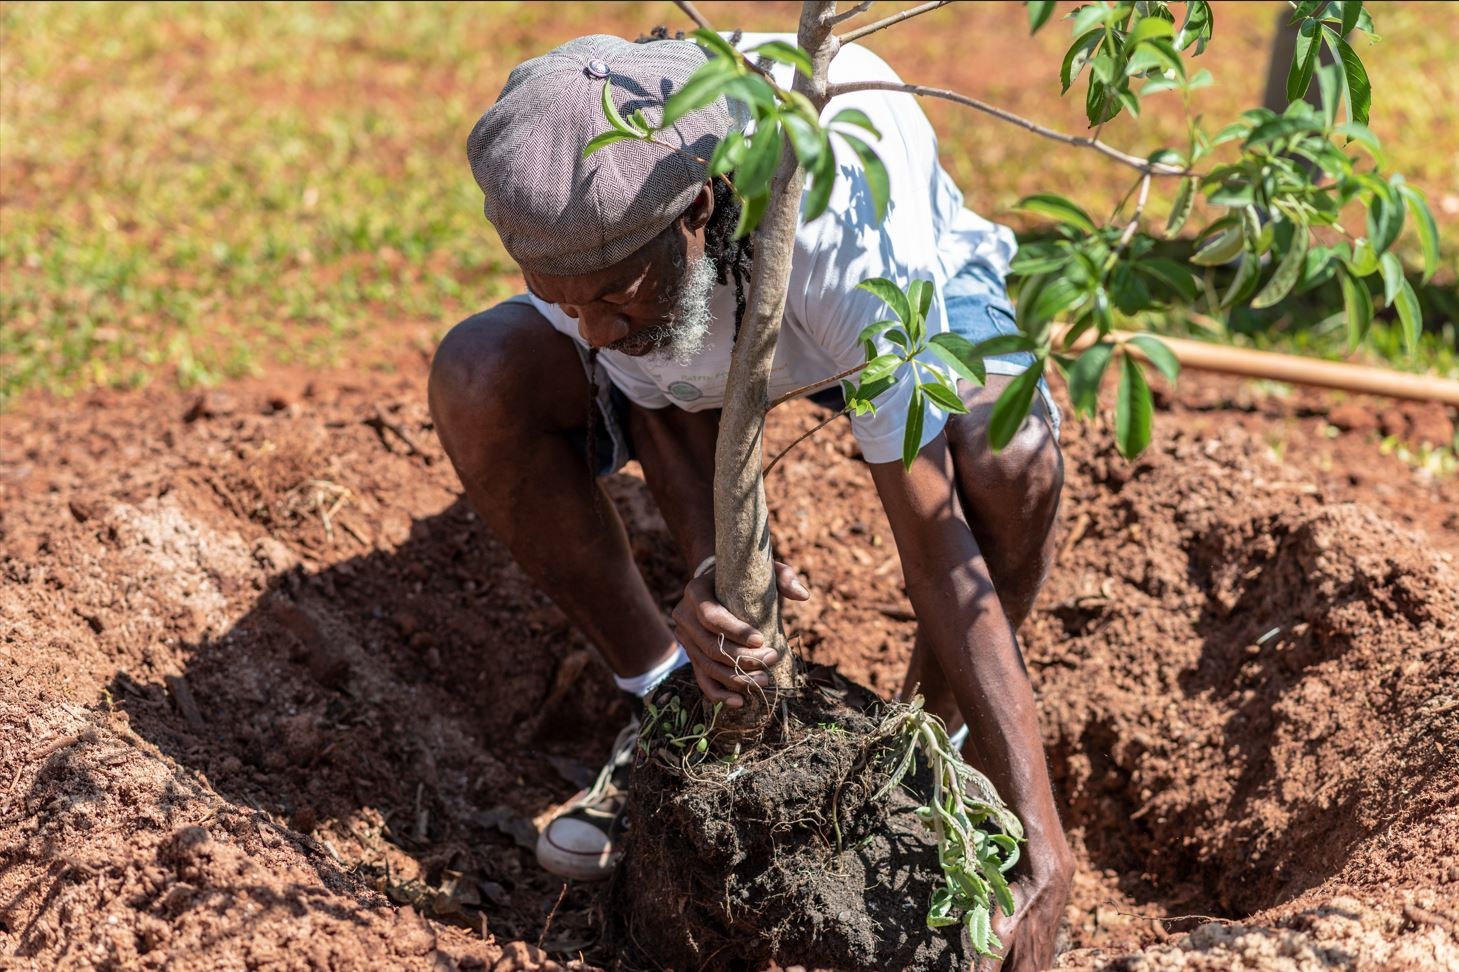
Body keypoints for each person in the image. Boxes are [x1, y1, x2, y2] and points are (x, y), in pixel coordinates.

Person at [430, 30, 1073, 968]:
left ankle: (932, 754)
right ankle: (665, 705)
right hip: (704, 314)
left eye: (611, 295)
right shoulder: (604, 239)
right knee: (479, 370)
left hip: (874, 288)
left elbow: (937, 552)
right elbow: (671, 406)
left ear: (697, 212)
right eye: (563, 301)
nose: (594, 332)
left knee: (1006, 459)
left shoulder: (846, 248)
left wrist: (1043, 836)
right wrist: (708, 585)